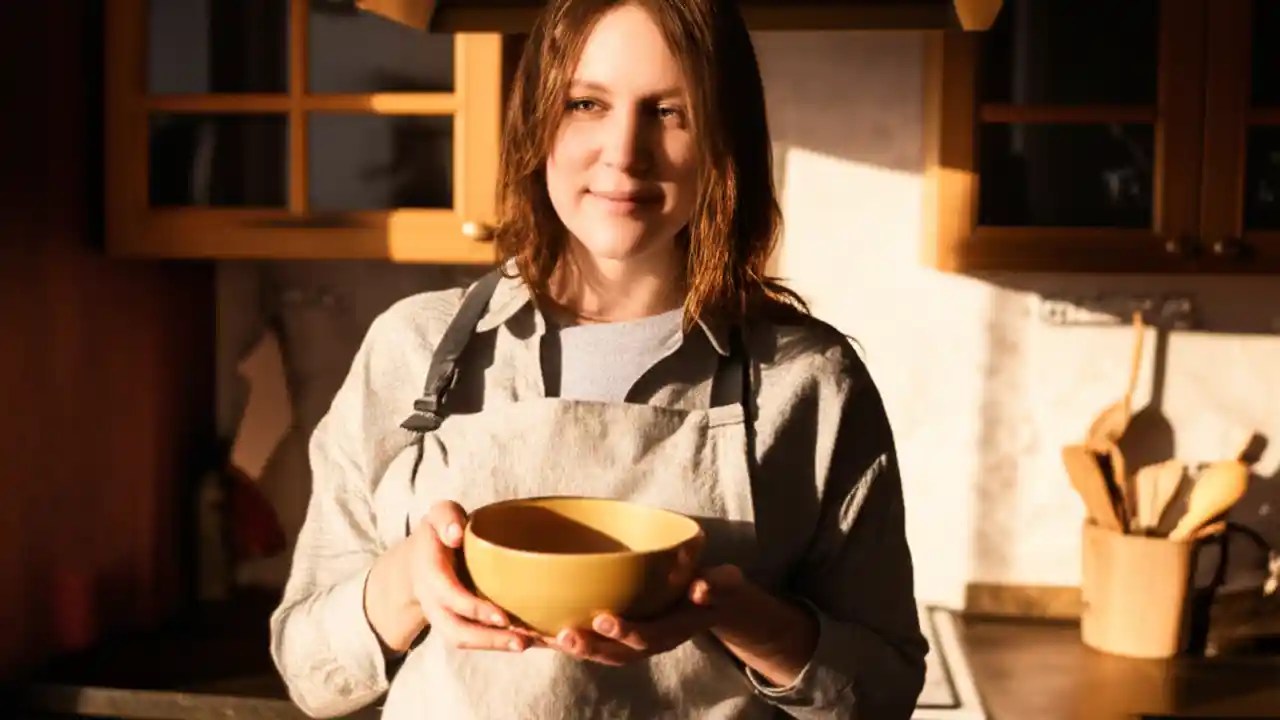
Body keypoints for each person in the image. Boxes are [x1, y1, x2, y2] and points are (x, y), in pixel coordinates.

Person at [269, 0, 928, 717]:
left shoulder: (810, 384)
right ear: (538, 123)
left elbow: (883, 691)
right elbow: (308, 672)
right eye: (587, 103)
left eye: (669, 112)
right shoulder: (413, 348)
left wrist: (736, 613)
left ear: (722, 139)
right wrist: (408, 583)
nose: (624, 152)